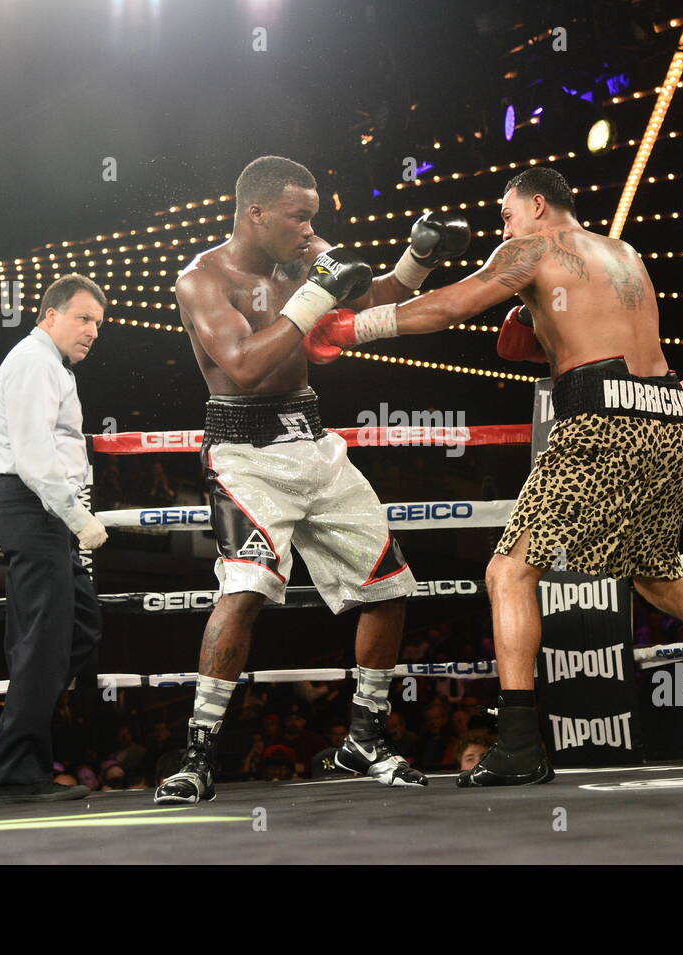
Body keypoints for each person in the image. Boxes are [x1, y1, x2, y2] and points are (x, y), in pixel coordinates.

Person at [304, 165, 683, 785]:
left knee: (508, 570)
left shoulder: (529, 248)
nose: (503, 225)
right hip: (667, 416)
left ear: (539, 205)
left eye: (507, 212)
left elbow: (446, 309)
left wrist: (349, 328)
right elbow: (518, 346)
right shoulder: (624, 254)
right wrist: (529, 305)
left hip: (601, 421)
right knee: (656, 577)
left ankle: (521, 742)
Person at [154, 156, 469, 804]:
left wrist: (419, 258)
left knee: (388, 584)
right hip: (244, 452)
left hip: (314, 441)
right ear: (256, 213)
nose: (310, 231)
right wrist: (314, 296)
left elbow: (372, 293)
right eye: (299, 218)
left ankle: (365, 739)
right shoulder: (201, 279)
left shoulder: (304, 256)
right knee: (244, 589)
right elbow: (240, 365)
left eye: (314, 219)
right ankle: (198, 755)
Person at [0, 273, 108, 802]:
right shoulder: (34, 363)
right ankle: (15, 772)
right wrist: (80, 519)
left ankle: (8, 738)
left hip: (41, 510)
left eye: (98, 323)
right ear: (49, 316)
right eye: (83, 318)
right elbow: (34, 457)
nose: (92, 331)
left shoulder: (49, 365)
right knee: (44, 642)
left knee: (79, 627)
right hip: (36, 507)